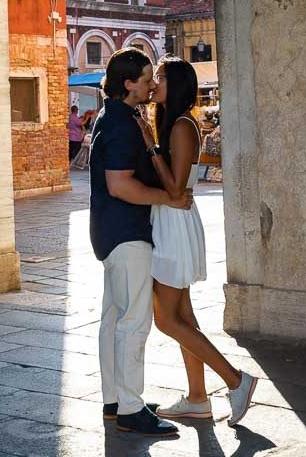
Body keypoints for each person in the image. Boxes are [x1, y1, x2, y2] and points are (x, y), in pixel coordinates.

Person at [134, 56, 258, 427]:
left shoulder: (181, 126)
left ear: (175, 84)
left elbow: (175, 189)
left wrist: (150, 145)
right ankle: (197, 398)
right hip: (171, 221)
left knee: (166, 320)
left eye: (160, 76)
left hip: (174, 225)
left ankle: (236, 381)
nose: (153, 82)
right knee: (184, 317)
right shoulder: (174, 123)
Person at [89, 47, 191, 438]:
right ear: (129, 83)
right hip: (126, 233)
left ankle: (116, 400)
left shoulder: (115, 114)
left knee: (115, 317)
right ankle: (131, 409)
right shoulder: (120, 122)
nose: (151, 86)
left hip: (112, 232)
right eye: (147, 80)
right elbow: (120, 185)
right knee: (133, 321)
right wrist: (169, 198)